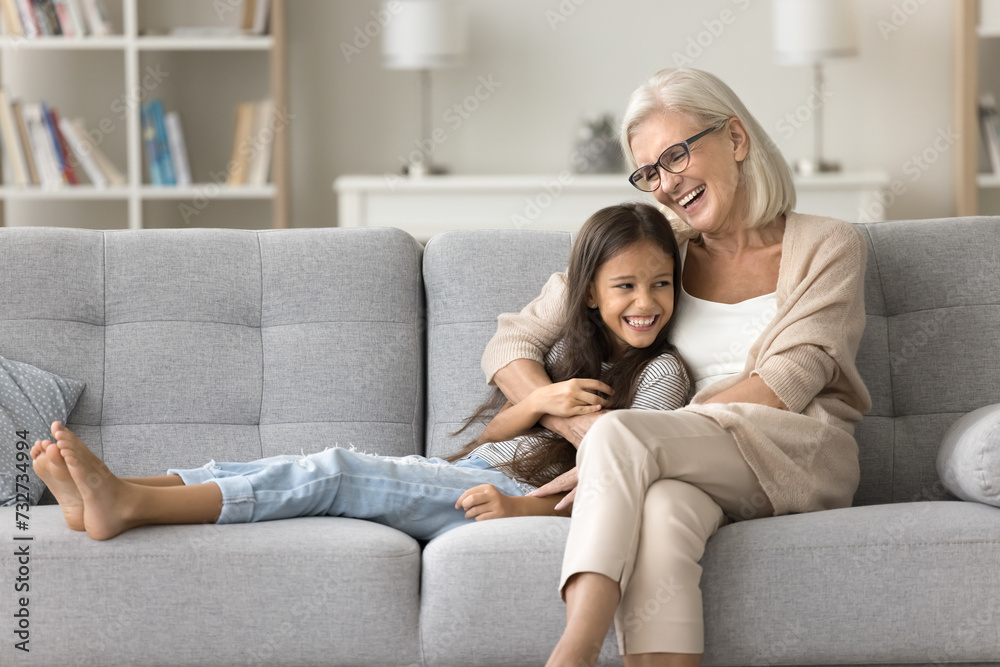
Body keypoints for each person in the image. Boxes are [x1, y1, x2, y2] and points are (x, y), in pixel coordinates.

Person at [479, 68, 872, 667]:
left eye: (676, 155)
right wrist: (572, 423)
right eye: (649, 172)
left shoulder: (829, 245)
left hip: (790, 452)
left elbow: (790, 377)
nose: (665, 183)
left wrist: (636, 440)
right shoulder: (659, 254)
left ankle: (574, 651)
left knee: (627, 440)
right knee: (660, 513)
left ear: (735, 139)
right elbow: (510, 343)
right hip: (682, 466)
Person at [30, 202, 693, 545]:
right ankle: (111, 491)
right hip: (475, 469)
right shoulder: (577, 352)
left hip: (491, 493)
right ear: (588, 293)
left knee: (334, 471)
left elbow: (618, 478)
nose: (646, 302)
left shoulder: (661, 375)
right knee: (300, 465)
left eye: (661, 284)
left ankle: (130, 504)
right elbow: (500, 425)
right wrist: (543, 399)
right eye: (626, 285)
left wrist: (518, 507)